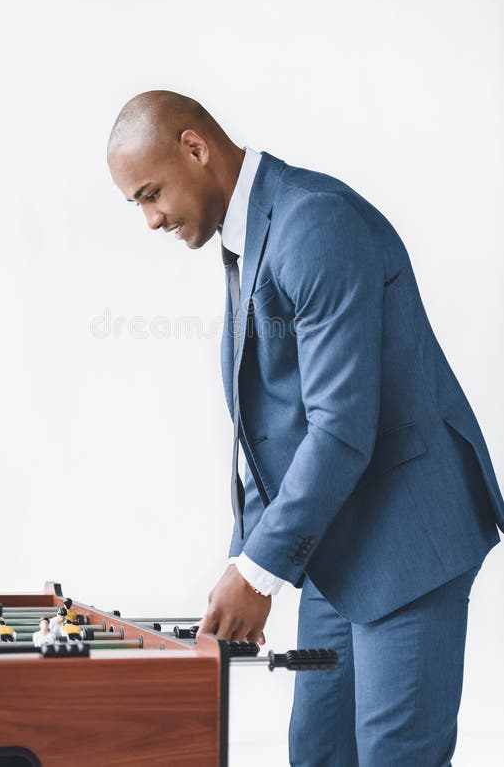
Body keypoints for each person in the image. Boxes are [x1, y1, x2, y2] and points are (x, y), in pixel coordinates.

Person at [107, 90, 504, 767]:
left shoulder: (314, 224)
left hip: (410, 537)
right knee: (316, 751)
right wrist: (245, 560)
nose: (149, 219)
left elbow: (339, 428)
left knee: (392, 755)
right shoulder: (251, 234)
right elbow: (277, 428)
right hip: (340, 541)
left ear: (194, 149)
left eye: (149, 193)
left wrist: (259, 573)